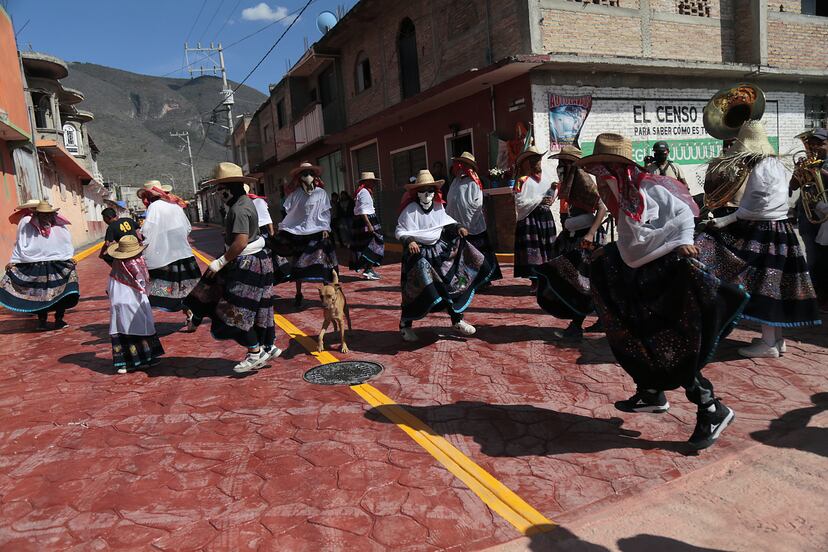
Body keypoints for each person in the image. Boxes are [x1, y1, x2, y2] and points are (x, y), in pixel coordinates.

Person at [579, 133, 749, 450]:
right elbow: (636, 232)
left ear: (617, 166)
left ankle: (712, 409)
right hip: (637, 269)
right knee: (634, 332)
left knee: (675, 342)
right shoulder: (617, 188)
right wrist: (612, 250)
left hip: (667, 268)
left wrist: (685, 240)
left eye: (605, 166)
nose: (600, 173)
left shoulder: (649, 185)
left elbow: (685, 212)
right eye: (599, 167)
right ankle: (651, 392)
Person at [696, 121, 821, 358]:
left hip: (765, 232)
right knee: (775, 286)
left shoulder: (761, 169)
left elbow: (753, 209)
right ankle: (776, 340)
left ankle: (768, 343)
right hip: (782, 229)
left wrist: (722, 222)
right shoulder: (775, 164)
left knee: (766, 284)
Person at [185, 162, 280, 373]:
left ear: (232, 187)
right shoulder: (246, 203)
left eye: (221, 188)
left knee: (234, 310)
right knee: (257, 306)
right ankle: (267, 344)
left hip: (247, 263)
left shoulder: (238, 209)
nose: (219, 192)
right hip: (257, 260)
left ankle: (255, 352)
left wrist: (220, 261)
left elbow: (241, 242)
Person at [395, 169, 495, 342]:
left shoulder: (437, 205)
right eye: (423, 191)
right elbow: (400, 230)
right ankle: (405, 324)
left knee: (449, 284)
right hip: (418, 254)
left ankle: (457, 319)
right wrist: (410, 240)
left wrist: (458, 227)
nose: (428, 194)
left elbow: (445, 221)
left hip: (437, 251)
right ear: (416, 192)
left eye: (431, 190)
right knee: (416, 292)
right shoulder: (410, 210)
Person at [534, 145, 607, 341]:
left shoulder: (581, 178)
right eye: (559, 162)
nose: (560, 167)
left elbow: (602, 206)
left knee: (579, 281)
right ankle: (601, 319)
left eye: (563, 162)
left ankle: (576, 325)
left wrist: (590, 234)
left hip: (586, 238)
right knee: (588, 282)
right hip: (576, 235)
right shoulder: (571, 181)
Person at [0, 201, 78, 330]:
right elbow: (22, 243)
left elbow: (65, 243)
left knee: (63, 292)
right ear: (37, 213)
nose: (46, 217)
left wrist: (68, 257)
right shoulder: (27, 224)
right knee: (41, 294)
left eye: (48, 214)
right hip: (36, 264)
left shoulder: (59, 226)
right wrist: (15, 261)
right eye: (43, 214)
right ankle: (42, 321)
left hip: (58, 263)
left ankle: (59, 319)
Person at [272, 161, 338, 306]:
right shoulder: (295, 195)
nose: (308, 176)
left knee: (324, 263)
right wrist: (288, 227)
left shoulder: (321, 194)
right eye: (304, 174)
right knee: (298, 264)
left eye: (310, 173)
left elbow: (326, 212)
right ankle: (298, 293)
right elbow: (289, 211)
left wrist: (325, 228)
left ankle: (328, 293)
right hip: (300, 234)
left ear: (315, 177)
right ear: (299, 177)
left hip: (318, 232)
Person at [138, 181, 201, 330]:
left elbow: (147, 230)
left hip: (165, 259)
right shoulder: (175, 206)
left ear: (149, 196)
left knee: (160, 291)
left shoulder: (154, 207)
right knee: (186, 290)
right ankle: (191, 316)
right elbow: (187, 228)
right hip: (184, 255)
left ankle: (143, 325)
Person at [106, 235, 164, 374]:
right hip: (133, 302)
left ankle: (131, 362)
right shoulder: (135, 264)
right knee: (138, 327)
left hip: (122, 303)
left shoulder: (117, 267)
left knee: (126, 329)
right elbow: (143, 282)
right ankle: (141, 360)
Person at [445, 151, 502, 283]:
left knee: (479, 253)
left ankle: (484, 279)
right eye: (460, 164)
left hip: (473, 225)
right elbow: (452, 199)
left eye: (464, 164)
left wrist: (469, 222)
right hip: (458, 224)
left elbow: (477, 203)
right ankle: (465, 280)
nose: (460, 166)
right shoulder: (455, 181)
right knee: (462, 255)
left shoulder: (474, 181)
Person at [513, 145, 557, 291]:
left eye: (538, 159)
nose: (537, 162)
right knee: (533, 250)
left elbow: (552, 193)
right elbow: (519, 202)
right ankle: (535, 281)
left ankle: (547, 278)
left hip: (545, 218)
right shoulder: (522, 180)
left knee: (547, 248)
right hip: (529, 219)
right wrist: (539, 200)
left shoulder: (548, 177)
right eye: (533, 160)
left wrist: (550, 199)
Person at [349, 172, 384, 280]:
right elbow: (363, 210)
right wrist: (369, 224)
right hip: (367, 220)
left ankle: (369, 269)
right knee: (374, 243)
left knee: (366, 244)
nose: (373, 183)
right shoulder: (364, 192)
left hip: (364, 220)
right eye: (371, 181)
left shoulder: (364, 191)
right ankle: (368, 269)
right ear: (366, 182)